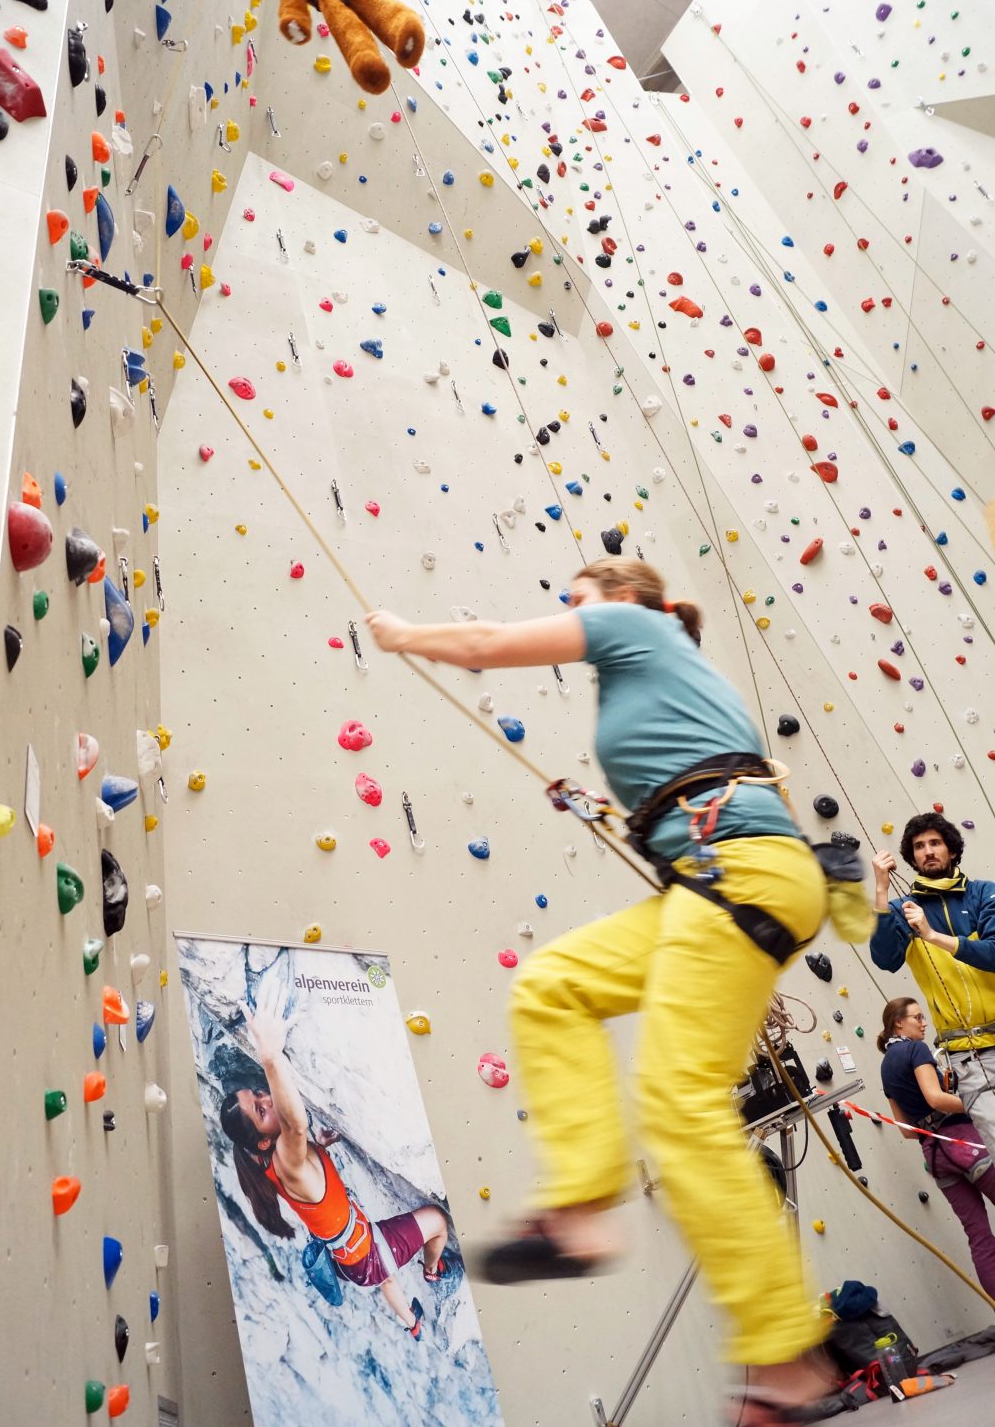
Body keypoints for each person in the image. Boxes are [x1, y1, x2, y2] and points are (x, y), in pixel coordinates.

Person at [366, 558, 843, 1426]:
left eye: (574, 599)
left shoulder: (635, 626)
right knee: (554, 985)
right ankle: (582, 1203)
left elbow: (482, 644)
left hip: (737, 873)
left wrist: (403, 635)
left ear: (620, 599)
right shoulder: (658, 671)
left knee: (679, 1100)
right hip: (715, 882)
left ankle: (784, 1351)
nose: (569, 613)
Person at [220, 989, 449, 1340]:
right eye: (261, 1109)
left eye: (259, 1094)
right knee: (437, 1221)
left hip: (351, 1261)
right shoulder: (286, 1158)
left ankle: (412, 1323)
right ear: (263, 1141)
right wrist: (270, 1058)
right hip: (366, 1253)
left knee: (384, 1275)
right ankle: (432, 1270)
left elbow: (303, 1155)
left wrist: (320, 1148)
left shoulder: (272, 1162)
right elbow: (296, 1125)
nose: (266, 1097)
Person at [870, 813, 995, 1158]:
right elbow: (885, 959)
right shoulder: (902, 909)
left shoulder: (984, 893)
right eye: (919, 846)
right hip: (966, 1057)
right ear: (911, 858)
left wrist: (932, 935)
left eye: (935, 843)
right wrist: (881, 891)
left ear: (952, 850)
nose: (927, 851)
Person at [878, 996, 995, 1298]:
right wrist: (978, 1105)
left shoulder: (885, 1067)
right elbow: (935, 1097)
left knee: (979, 1237)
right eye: (917, 1017)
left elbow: (905, 1129)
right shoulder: (915, 1049)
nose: (924, 1023)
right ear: (898, 1023)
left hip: (935, 1154)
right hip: (962, 1141)